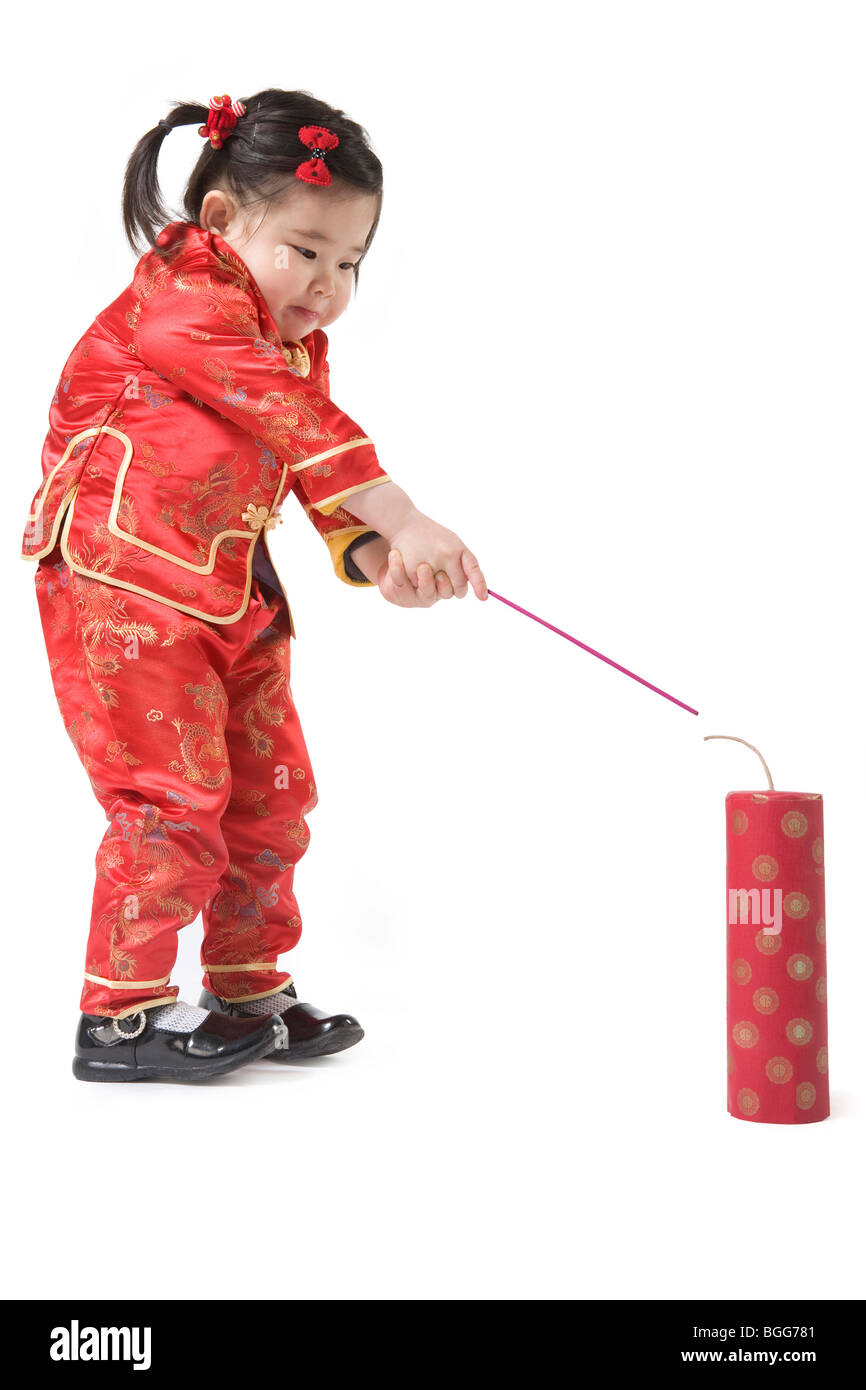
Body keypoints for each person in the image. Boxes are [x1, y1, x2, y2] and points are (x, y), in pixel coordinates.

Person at [22, 88, 488, 1083]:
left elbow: (309, 469)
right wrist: (402, 512)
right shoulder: (184, 295)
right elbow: (284, 415)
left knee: (272, 794)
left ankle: (245, 983)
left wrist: (375, 556)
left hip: (230, 595)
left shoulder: (292, 350)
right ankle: (124, 1016)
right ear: (225, 221)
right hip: (126, 584)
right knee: (170, 797)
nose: (326, 284)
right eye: (307, 250)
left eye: (349, 263)